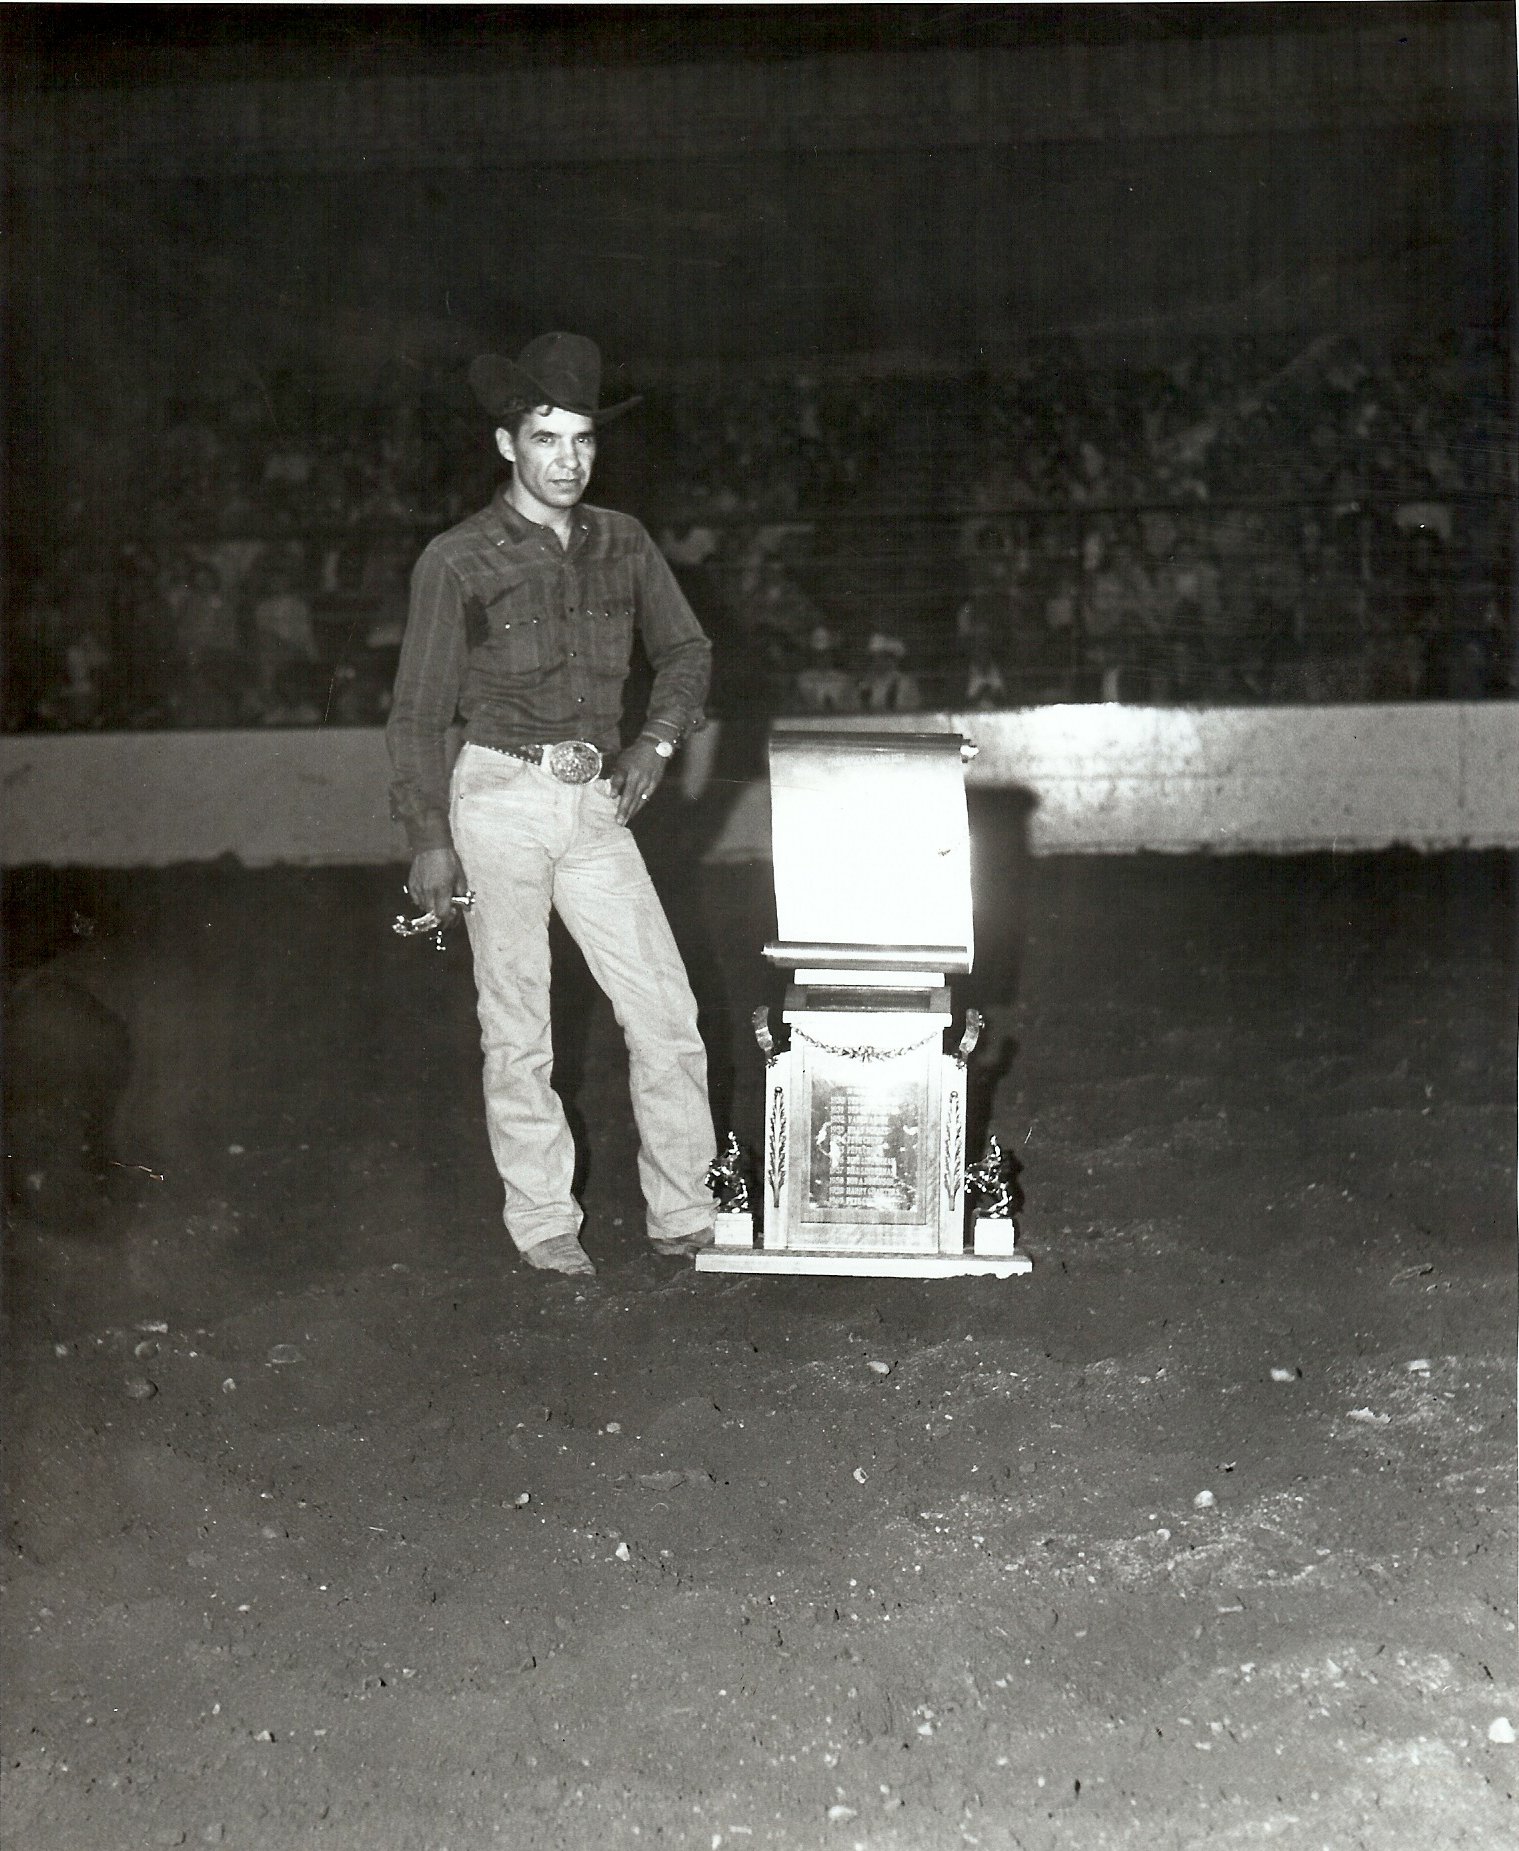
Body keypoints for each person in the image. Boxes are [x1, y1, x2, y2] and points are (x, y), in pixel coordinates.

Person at [386, 333, 717, 1278]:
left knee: (662, 1007)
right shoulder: (457, 560)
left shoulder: (625, 540)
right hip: (496, 798)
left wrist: (655, 741)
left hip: (595, 802)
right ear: (507, 446)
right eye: (546, 439)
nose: (567, 460)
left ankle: (684, 1211)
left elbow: (686, 651)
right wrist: (428, 840)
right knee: (517, 1023)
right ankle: (543, 1224)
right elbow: (415, 715)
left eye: (581, 440)